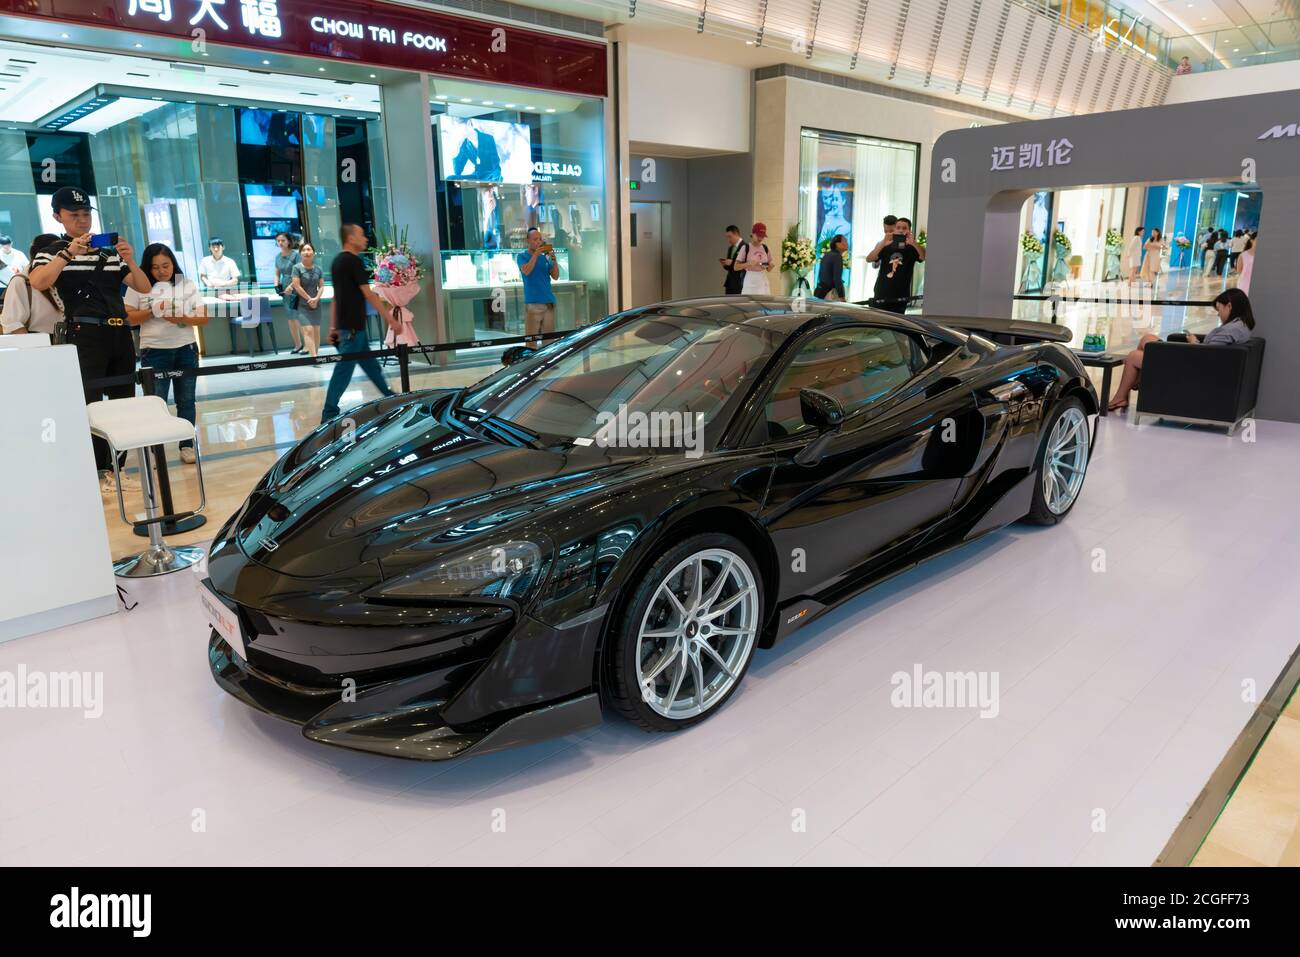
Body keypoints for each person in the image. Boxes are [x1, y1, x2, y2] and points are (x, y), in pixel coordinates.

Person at [27, 186, 152, 492]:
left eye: (86, 214)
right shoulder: (52, 251)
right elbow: (38, 280)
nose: (82, 221)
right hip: (84, 334)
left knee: (124, 402)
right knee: (91, 404)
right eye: (74, 215)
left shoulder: (108, 253)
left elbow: (144, 287)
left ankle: (116, 468)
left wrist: (131, 260)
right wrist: (69, 253)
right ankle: (97, 470)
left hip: (119, 332)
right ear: (58, 217)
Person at [123, 243, 208, 464]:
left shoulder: (185, 284)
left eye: (166, 265)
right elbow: (129, 317)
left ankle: (187, 445)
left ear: (173, 263)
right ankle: (155, 447)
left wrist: (181, 318)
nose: (162, 271)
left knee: (186, 400)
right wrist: (151, 311)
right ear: (147, 268)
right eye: (155, 267)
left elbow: (203, 317)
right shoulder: (138, 286)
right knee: (155, 402)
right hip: (154, 350)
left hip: (186, 348)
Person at [1107, 288, 1256, 412]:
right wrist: (1196, 342)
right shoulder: (1240, 326)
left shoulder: (1231, 330)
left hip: (1189, 366)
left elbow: (1208, 356)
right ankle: (1135, 382)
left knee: (1133, 357)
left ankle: (1121, 395)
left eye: (1219, 309)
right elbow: (1213, 351)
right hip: (1191, 360)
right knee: (1147, 338)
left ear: (1229, 306)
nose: (1218, 314)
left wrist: (1193, 343)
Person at [321, 224, 398, 424]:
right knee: (343, 372)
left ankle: (391, 398)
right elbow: (369, 295)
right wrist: (390, 319)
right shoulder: (353, 261)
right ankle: (329, 413)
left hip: (352, 329)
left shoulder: (337, 262)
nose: (365, 239)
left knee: (371, 367)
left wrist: (333, 327)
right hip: (353, 330)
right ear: (351, 238)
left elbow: (336, 299)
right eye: (361, 235)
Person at [1, 234, 61, 336]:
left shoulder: (18, 254)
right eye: (59, 252)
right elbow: (12, 323)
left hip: (69, 342)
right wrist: (33, 347)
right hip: (40, 343)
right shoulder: (21, 281)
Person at [867, 215, 924, 313]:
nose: (901, 230)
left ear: (909, 231)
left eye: (904, 228)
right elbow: (869, 259)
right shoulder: (885, 246)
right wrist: (883, 243)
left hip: (901, 295)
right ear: (894, 229)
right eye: (898, 228)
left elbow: (924, 256)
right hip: (882, 292)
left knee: (896, 324)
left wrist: (913, 243)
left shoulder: (912, 248)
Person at [517, 226, 559, 347]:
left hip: (548, 302)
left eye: (540, 239)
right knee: (531, 341)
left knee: (549, 340)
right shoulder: (522, 256)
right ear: (528, 241)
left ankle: (549, 363)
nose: (538, 241)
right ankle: (531, 364)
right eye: (535, 239)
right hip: (533, 303)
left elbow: (555, 276)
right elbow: (526, 271)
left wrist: (554, 260)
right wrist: (536, 254)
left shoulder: (545, 257)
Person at [288, 242, 324, 356]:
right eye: (304, 250)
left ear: (313, 253)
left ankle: (316, 355)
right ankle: (313, 357)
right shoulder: (296, 268)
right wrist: (310, 299)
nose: (306, 252)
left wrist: (316, 299)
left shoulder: (319, 269)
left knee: (316, 331)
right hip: (302, 305)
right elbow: (297, 286)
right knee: (308, 330)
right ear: (300, 253)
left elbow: (322, 286)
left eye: (309, 250)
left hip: (316, 305)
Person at [274, 232, 304, 354]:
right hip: (285, 289)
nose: (280, 243)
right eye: (278, 241)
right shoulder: (278, 256)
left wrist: (292, 286)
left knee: (298, 317)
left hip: (296, 287)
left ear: (289, 241)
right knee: (290, 318)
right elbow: (276, 273)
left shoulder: (296, 255)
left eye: (283, 240)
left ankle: (308, 345)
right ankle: (297, 345)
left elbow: (300, 273)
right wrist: (276, 285)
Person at [734, 222, 772, 295]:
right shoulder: (745, 248)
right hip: (750, 280)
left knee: (763, 303)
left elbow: (769, 269)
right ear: (753, 234)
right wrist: (748, 264)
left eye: (762, 236)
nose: (760, 238)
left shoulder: (765, 248)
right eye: (758, 235)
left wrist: (770, 266)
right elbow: (735, 267)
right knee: (750, 304)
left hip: (762, 280)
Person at [814, 234, 847, 301]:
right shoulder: (837, 256)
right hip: (829, 294)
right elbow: (837, 279)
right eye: (845, 241)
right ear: (837, 244)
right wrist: (842, 297)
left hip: (820, 291)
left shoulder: (827, 254)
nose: (847, 243)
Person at [720, 225, 747, 295]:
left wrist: (732, 262)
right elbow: (731, 267)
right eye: (727, 237)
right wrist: (725, 265)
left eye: (730, 236)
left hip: (739, 283)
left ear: (736, 234)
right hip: (729, 283)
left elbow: (747, 264)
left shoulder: (745, 247)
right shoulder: (730, 248)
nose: (728, 239)